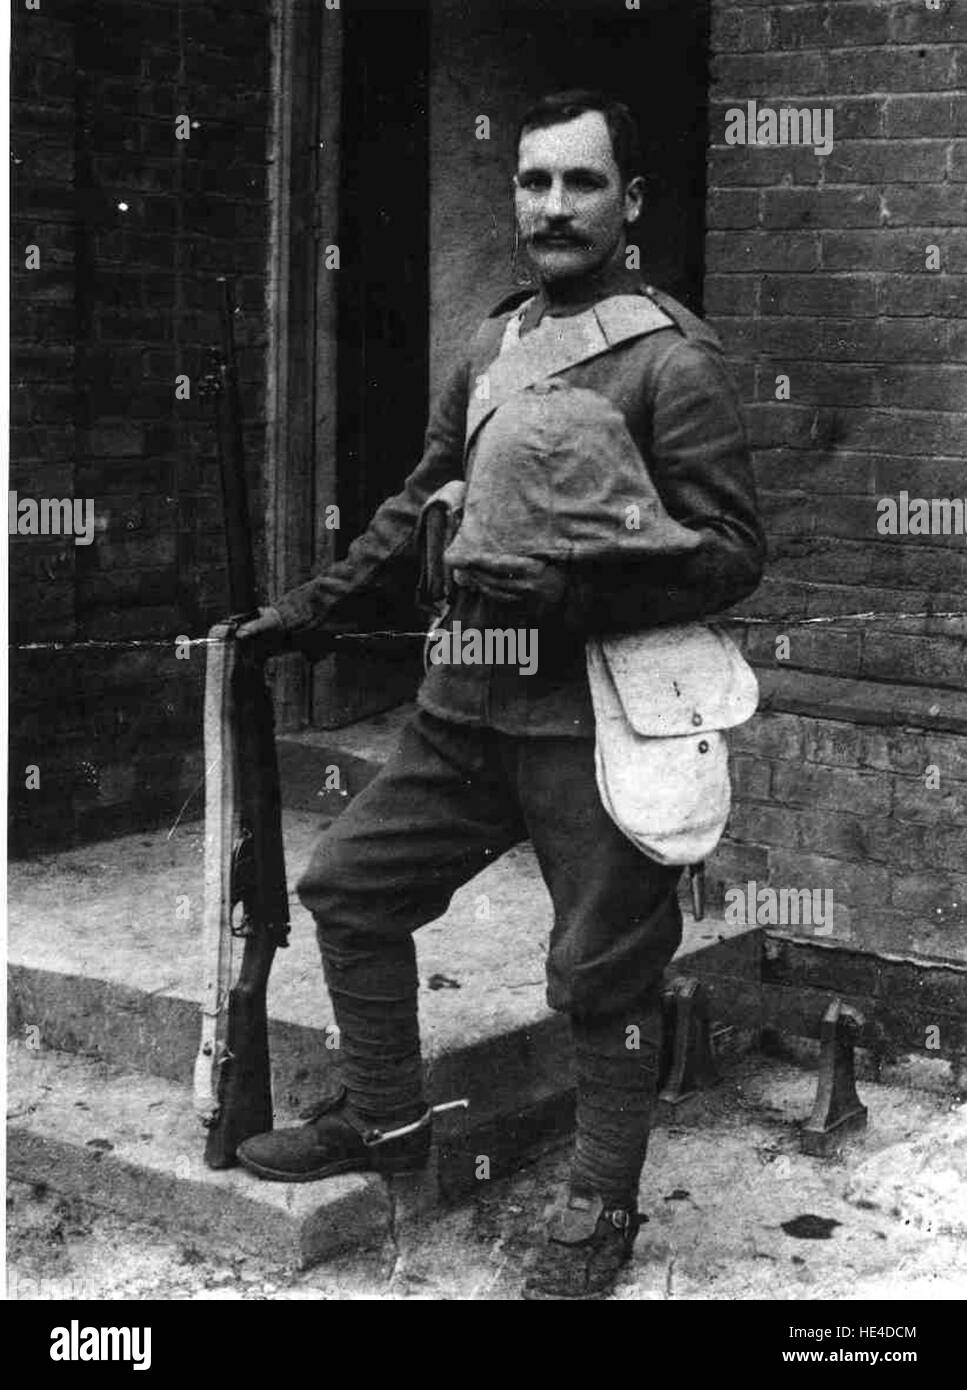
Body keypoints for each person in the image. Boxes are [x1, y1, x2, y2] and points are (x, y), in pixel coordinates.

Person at [232, 89, 765, 1300]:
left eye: (582, 183)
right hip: (466, 704)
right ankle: (386, 1121)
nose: (555, 207)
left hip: (599, 713)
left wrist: (572, 573)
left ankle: (599, 1197)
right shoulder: (491, 344)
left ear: (631, 202)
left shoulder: (670, 358)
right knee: (350, 888)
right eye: (534, 183)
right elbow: (419, 495)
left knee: (602, 970)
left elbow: (733, 551)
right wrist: (307, 610)